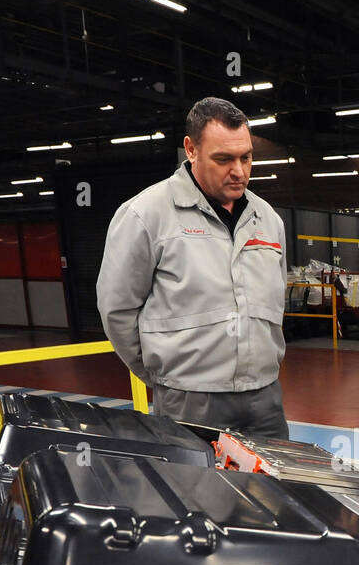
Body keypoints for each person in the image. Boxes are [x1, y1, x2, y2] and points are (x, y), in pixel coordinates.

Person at [97, 96, 289, 437]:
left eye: (246, 157)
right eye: (223, 159)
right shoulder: (146, 215)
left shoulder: (268, 219)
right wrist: (167, 376)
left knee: (270, 490)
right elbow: (117, 309)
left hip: (264, 399)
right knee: (193, 490)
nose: (239, 171)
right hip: (189, 401)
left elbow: (276, 300)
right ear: (191, 149)